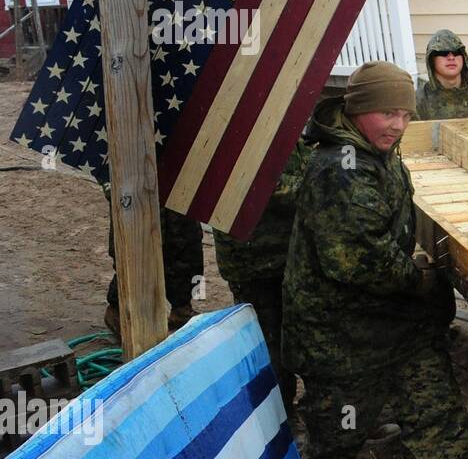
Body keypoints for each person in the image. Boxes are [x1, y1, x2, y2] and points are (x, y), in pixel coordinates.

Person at [281, 61, 468, 459]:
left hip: (395, 326)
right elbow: (358, 263)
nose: (397, 124)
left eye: (404, 114)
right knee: (337, 438)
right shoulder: (340, 170)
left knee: (437, 416)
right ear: (357, 110)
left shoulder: (377, 150)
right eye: (385, 113)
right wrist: (421, 280)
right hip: (342, 338)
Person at [213, 138, 313, 414]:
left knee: (299, 336)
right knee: (268, 346)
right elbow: (260, 186)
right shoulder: (245, 125)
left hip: (285, 257)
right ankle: (277, 419)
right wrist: (325, 179)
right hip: (256, 261)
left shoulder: (284, 122)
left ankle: (296, 412)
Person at [104, 194, 203, 336]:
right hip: (136, 185)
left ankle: (181, 309)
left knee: (186, 244)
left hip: (178, 182)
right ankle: (118, 310)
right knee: (135, 249)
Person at [415, 28, 468, 120]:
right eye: (443, 53)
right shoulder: (418, 102)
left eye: (456, 52)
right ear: (431, 60)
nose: (451, 57)